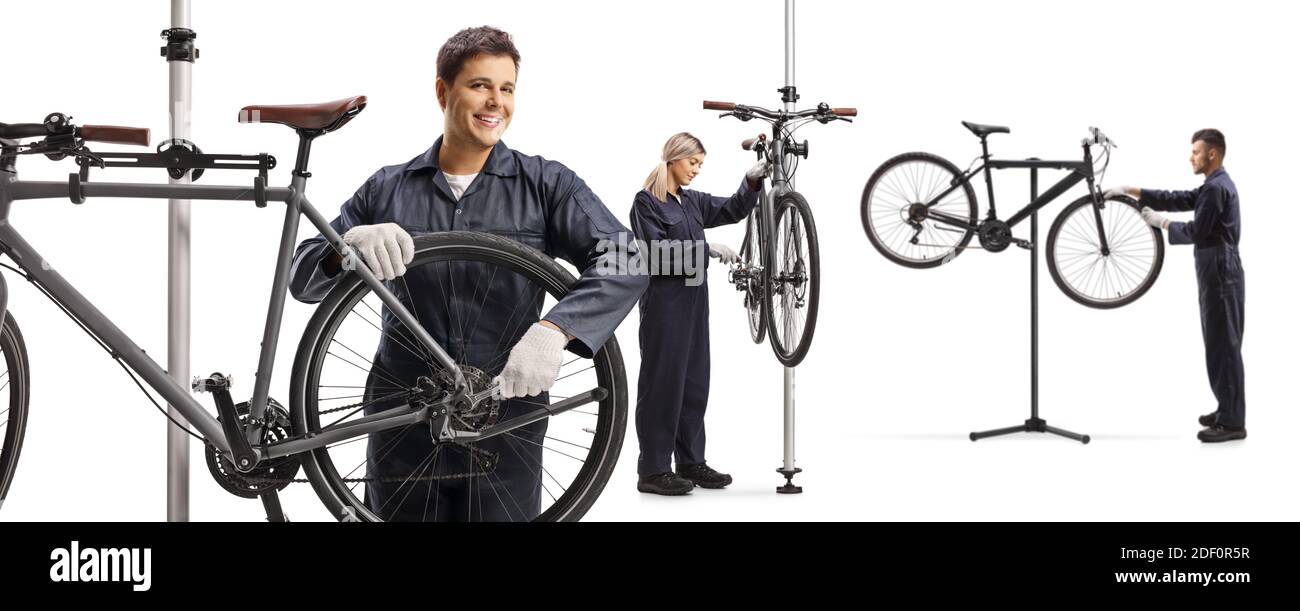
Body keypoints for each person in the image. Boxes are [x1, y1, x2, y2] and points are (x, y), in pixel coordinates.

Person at [289, 26, 648, 519]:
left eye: (507, 88)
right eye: (480, 85)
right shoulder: (387, 189)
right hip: (402, 423)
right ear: (443, 90)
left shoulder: (547, 185)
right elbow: (303, 279)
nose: (495, 102)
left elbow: (627, 258)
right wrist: (345, 249)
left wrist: (556, 330)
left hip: (507, 423)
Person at [628, 132, 766, 495]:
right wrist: (706, 250)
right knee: (663, 385)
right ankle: (654, 470)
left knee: (694, 383)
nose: (696, 171)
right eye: (693, 163)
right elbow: (655, 254)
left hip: (694, 303)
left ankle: (690, 462)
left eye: (700, 165)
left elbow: (733, 208)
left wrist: (751, 181)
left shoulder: (692, 202)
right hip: (664, 306)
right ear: (673, 159)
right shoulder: (647, 203)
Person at [1107, 129, 1246, 442]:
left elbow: (1198, 231)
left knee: (1224, 346)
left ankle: (1233, 423)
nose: (1190, 157)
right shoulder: (1213, 185)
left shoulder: (1216, 187)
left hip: (1220, 270)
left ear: (1212, 154)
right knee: (1219, 343)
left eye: (1196, 152)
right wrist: (1131, 189)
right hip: (1217, 268)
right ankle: (1228, 408)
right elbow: (1179, 198)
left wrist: (1163, 223)